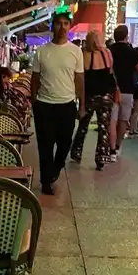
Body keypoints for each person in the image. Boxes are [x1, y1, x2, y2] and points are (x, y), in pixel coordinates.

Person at [31, 13, 84, 194]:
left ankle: (56, 168)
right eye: (59, 24)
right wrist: (34, 101)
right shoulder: (41, 51)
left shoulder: (75, 51)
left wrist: (82, 105)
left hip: (67, 104)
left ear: (69, 26)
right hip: (44, 104)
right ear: (53, 26)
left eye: (65, 24)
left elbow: (79, 79)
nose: (62, 27)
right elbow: (35, 79)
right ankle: (46, 181)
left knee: (65, 143)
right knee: (45, 145)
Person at [70, 31, 117, 170]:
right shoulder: (107, 53)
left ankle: (77, 151)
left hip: (89, 95)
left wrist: (80, 100)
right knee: (104, 127)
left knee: (83, 125)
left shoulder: (84, 55)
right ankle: (101, 157)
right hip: (106, 95)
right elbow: (111, 71)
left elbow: (81, 78)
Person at [109, 25, 138, 159]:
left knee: (112, 121)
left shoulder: (109, 50)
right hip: (127, 90)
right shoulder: (132, 52)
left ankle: (111, 147)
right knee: (123, 120)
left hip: (112, 90)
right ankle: (118, 146)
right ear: (126, 36)